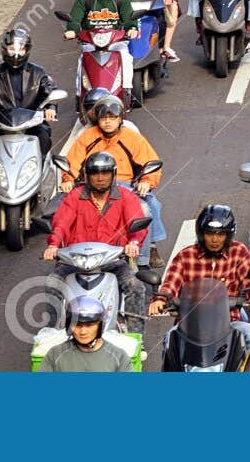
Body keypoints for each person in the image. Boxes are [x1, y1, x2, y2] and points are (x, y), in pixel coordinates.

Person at [61, 96, 166, 270]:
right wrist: (68, 180)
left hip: (127, 186)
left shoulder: (132, 138)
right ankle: (65, 258)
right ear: (98, 120)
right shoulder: (87, 137)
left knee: (148, 207)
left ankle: (144, 257)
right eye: (104, 118)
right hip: (92, 186)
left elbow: (151, 162)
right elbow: (72, 161)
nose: (108, 122)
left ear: (120, 119)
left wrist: (147, 181)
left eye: (112, 118)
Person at [44, 152, 146, 315]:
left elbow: (137, 223)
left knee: (135, 287)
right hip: (74, 261)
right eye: (94, 173)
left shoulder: (126, 197)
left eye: (105, 173)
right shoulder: (74, 197)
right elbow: (61, 224)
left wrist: (133, 243)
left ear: (113, 174)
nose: (100, 178)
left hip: (112, 260)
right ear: (87, 175)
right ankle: (50, 332)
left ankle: (135, 335)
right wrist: (53, 245)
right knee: (52, 284)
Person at [148, 204, 250, 318]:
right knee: (168, 338)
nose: (215, 239)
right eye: (209, 233)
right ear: (201, 234)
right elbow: (171, 283)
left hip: (230, 321)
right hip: (189, 322)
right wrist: (160, 300)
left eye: (220, 234)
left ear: (228, 235)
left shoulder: (239, 251)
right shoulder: (185, 256)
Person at [0, 27, 57, 159]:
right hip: (0, 124)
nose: (16, 54)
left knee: (44, 140)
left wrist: (50, 108)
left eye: (21, 49)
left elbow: (50, 91)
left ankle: (40, 171)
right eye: (12, 49)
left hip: (31, 123)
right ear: (5, 50)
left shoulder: (38, 72)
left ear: (26, 51)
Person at [66, 0, 139, 95]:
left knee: (126, 56)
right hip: (91, 42)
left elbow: (129, 18)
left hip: (115, 41)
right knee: (83, 58)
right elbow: (75, 19)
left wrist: (132, 28)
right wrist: (71, 30)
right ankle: (80, 94)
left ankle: (127, 91)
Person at [40, 295, 132, 373]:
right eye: (77, 325)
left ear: (100, 325)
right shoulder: (55, 354)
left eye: (89, 325)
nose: (83, 332)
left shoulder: (119, 357)